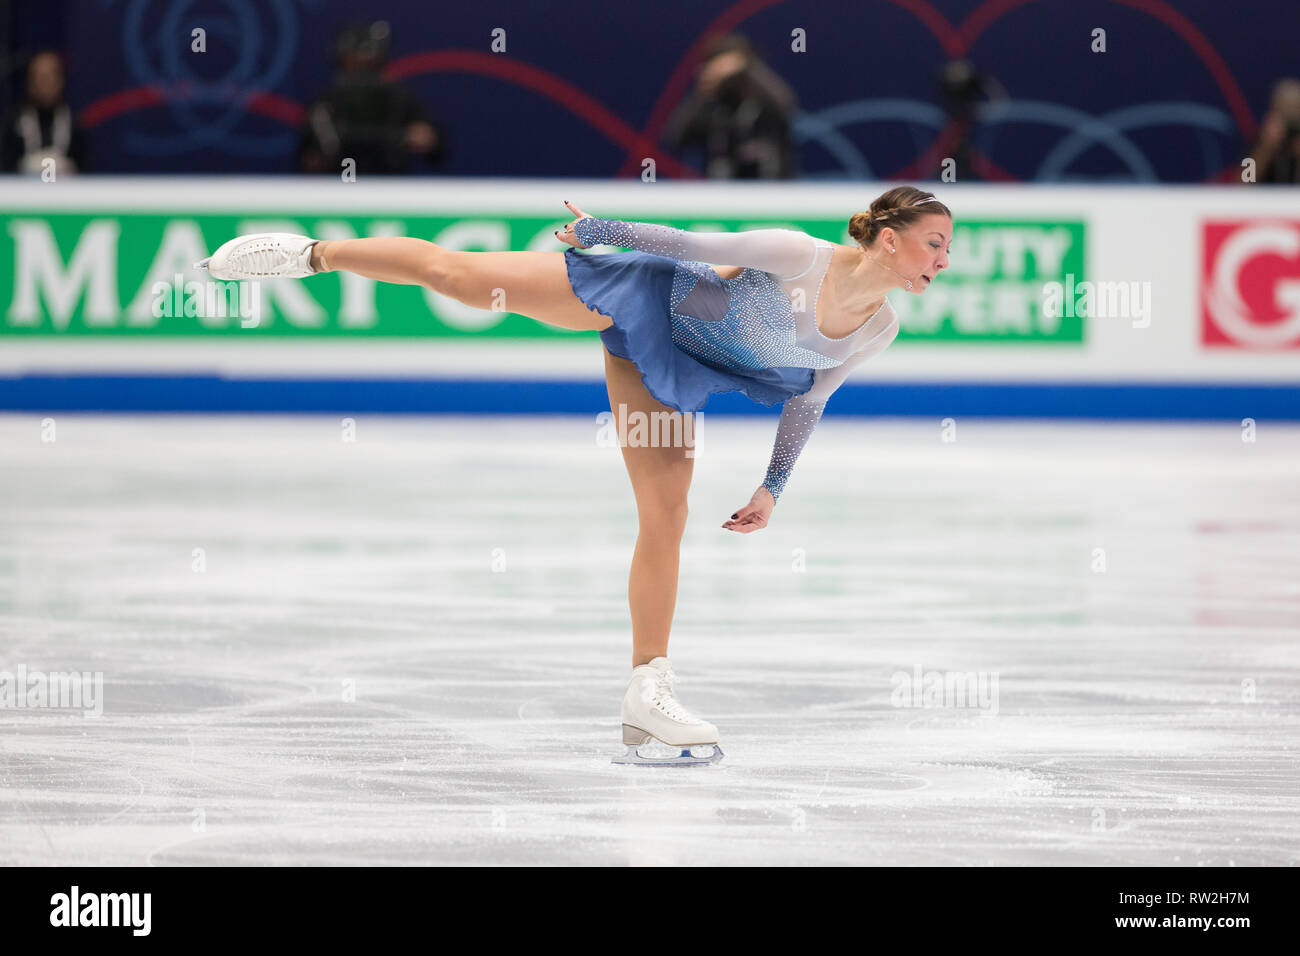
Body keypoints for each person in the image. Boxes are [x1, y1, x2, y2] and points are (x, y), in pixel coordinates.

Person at [196, 186, 953, 764]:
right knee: (459, 278)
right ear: (888, 241)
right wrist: (601, 233)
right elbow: (692, 240)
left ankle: (646, 691)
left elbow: (811, 397)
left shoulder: (880, 326)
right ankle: (312, 255)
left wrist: (772, 486)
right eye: (934, 244)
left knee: (667, 515)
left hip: (668, 370)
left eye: (946, 250)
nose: (942, 261)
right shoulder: (799, 255)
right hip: (643, 292)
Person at [298, 20, 443, 175]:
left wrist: (429, 139)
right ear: (343, 60)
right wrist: (398, 137)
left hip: (391, 186)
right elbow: (312, 155)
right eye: (356, 58)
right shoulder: (327, 101)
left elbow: (435, 146)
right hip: (343, 183)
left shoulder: (399, 96)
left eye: (371, 59)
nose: (364, 66)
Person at [664, 34, 798, 179]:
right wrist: (704, 90)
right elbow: (677, 137)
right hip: (723, 196)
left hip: (771, 196)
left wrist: (746, 69)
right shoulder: (714, 109)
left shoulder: (767, 104)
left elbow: (787, 105)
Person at [1, 50, 89, 175]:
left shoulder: (75, 126)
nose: (45, 84)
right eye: (39, 77)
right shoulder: (13, 125)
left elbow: (87, 175)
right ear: (29, 81)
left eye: (50, 77)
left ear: (61, 80)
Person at [1248, 78, 1300, 184]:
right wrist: (1265, 149)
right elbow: (1241, 185)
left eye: (1295, 110)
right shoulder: (1260, 143)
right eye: (1285, 110)